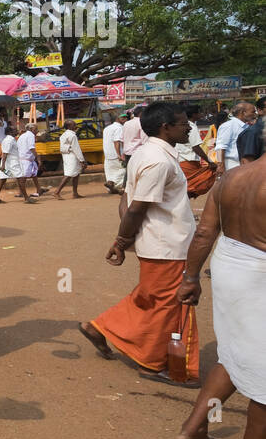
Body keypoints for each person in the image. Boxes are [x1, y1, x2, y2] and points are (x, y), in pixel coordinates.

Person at [79, 102, 200, 385]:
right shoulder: (157, 160)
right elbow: (135, 207)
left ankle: (100, 328)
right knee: (167, 306)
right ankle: (152, 363)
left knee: (150, 298)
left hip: (162, 243)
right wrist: (121, 241)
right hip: (167, 246)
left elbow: (127, 199)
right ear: (165, 127)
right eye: (184, 123)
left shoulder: (146, 154)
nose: (190, 127)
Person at [175, 155, 266, 439]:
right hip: (260, 274)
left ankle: (195, 426)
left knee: (235, 350)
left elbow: (204, 233)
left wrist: (190, 277)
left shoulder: (231, 177)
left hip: (229, 264)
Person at [175, 102, 217, 197]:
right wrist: (209, 161)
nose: (202, 114)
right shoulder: (191, 128)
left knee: (186, 189)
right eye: (200, 112)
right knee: (192, 188)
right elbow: (196, 147)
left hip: (181, 161)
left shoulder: (181, 126)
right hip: (188, 162)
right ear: (194, 114)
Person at [0, 120, 34, 204]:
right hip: (12, 164)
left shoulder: (9, 139)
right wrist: (2, 165)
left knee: (3, 179)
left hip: (9, 163)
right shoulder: (9, 140)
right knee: (20, 179)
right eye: (14, 130)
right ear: (10, 132)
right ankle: (26, 198)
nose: (17, 131)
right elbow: (5, 154)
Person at [216, 100, 255, 172]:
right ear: (243, 112)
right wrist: (221, 166)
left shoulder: (246, 126)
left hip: (243, 164)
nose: (255, 114)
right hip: (231, 165)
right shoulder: (229, 126)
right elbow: (220, 148)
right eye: (252, 112)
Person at [52, 119, 86, 199]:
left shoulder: (64, 134)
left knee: (76, 174)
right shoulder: (72, 135)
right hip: (72, 156)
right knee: (69, 174)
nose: (76, 126)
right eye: (74, 125)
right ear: (69, 126)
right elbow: (76, 148)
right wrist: (82, 160)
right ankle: (57, 192)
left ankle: (75, 193)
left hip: (67, 156)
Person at [17, 118, 45, 196]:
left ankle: (39, 189)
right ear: (32, 129)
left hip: (23, 158)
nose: (37, 131)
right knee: (24, 177)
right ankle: (21, 193)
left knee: (34, 174)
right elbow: (31, 147)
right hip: (26, 159)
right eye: (36, 129)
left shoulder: (22, 136)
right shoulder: (30, 135)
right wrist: (38, 158)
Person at [103, 111, 127, 193]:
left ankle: (111, 187)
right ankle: (112, 182)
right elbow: (117, 141)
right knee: (124, 170)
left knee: (110, 172)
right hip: (116, 154)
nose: (125, 119)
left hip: (108, 154)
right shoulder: (119, 128)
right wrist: (120, 154)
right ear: (118, 119)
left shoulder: (106, 128)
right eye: (123, 117)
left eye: (125, 117)